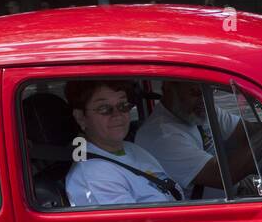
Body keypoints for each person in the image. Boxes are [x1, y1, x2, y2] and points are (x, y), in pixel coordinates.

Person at [134, 80, 262, 200]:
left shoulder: (200, 108)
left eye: (208, 91)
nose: (203, 98)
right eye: (195, 92)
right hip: (207, 211)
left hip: (236, 190)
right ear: (169, 90)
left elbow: (247, 131)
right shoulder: (161, 136)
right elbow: (224, 176)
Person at [65, 79, 183, 207]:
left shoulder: (132, 149)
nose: (117, 115)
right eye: (104, 108)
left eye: (123, 106)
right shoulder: (94, 174)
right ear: (81, 117)